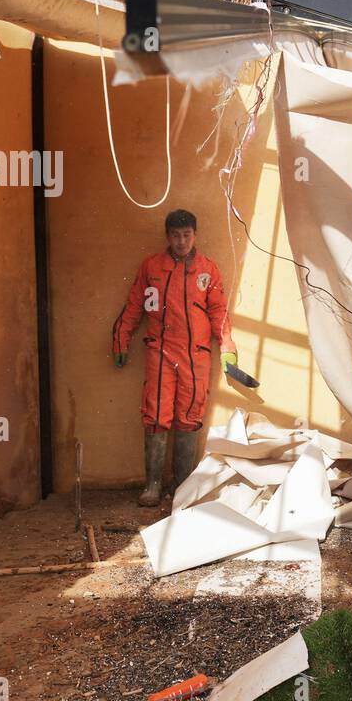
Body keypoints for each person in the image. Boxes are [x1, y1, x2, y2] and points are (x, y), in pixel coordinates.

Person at [111, 209, 239, 506]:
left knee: (190, 416)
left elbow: (219, 312)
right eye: (175, 235)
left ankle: (182, 486)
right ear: (167, 236)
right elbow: (134, 306)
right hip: (161, 351)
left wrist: (228, 349)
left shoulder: (208, 270)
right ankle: (153, 485)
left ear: (194, 235)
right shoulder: (151, 267)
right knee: (156, 415)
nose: (181, 241)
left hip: (196, 355)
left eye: (187, 235)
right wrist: (120, 339)